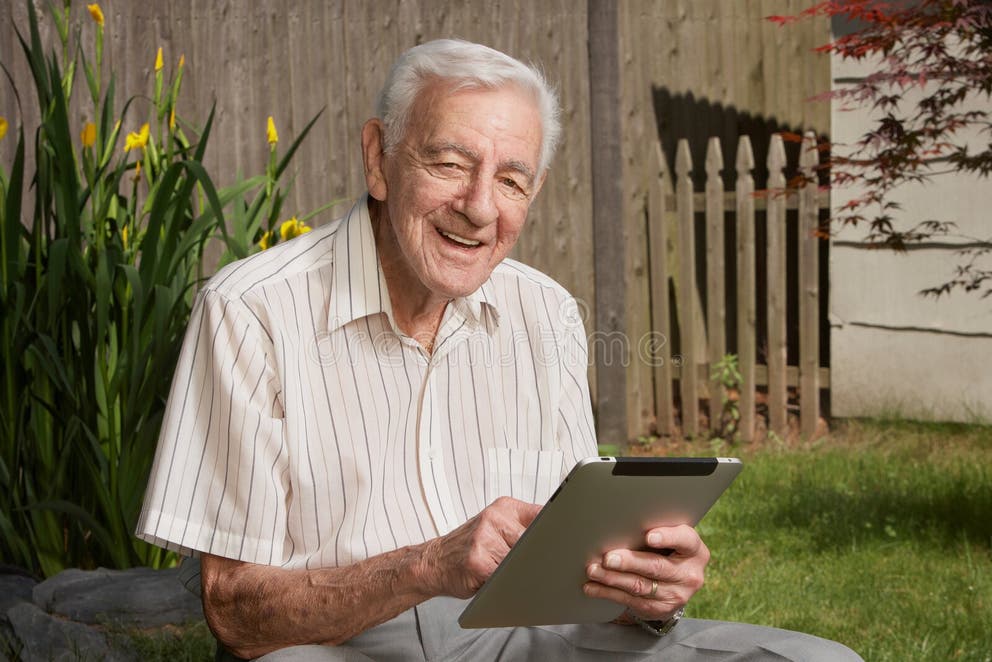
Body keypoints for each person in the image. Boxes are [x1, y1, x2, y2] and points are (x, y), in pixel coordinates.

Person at [136, 39, 862, 662]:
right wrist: (425, 567)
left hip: (526, 638)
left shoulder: (544, 312)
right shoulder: (252, 309)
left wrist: (645, 587)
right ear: (379, 160)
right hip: (334, 646)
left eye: (511, 180)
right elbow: (235, 615)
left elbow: (575, 564)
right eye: (450, 163)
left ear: (533, 191)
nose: (480, 206)